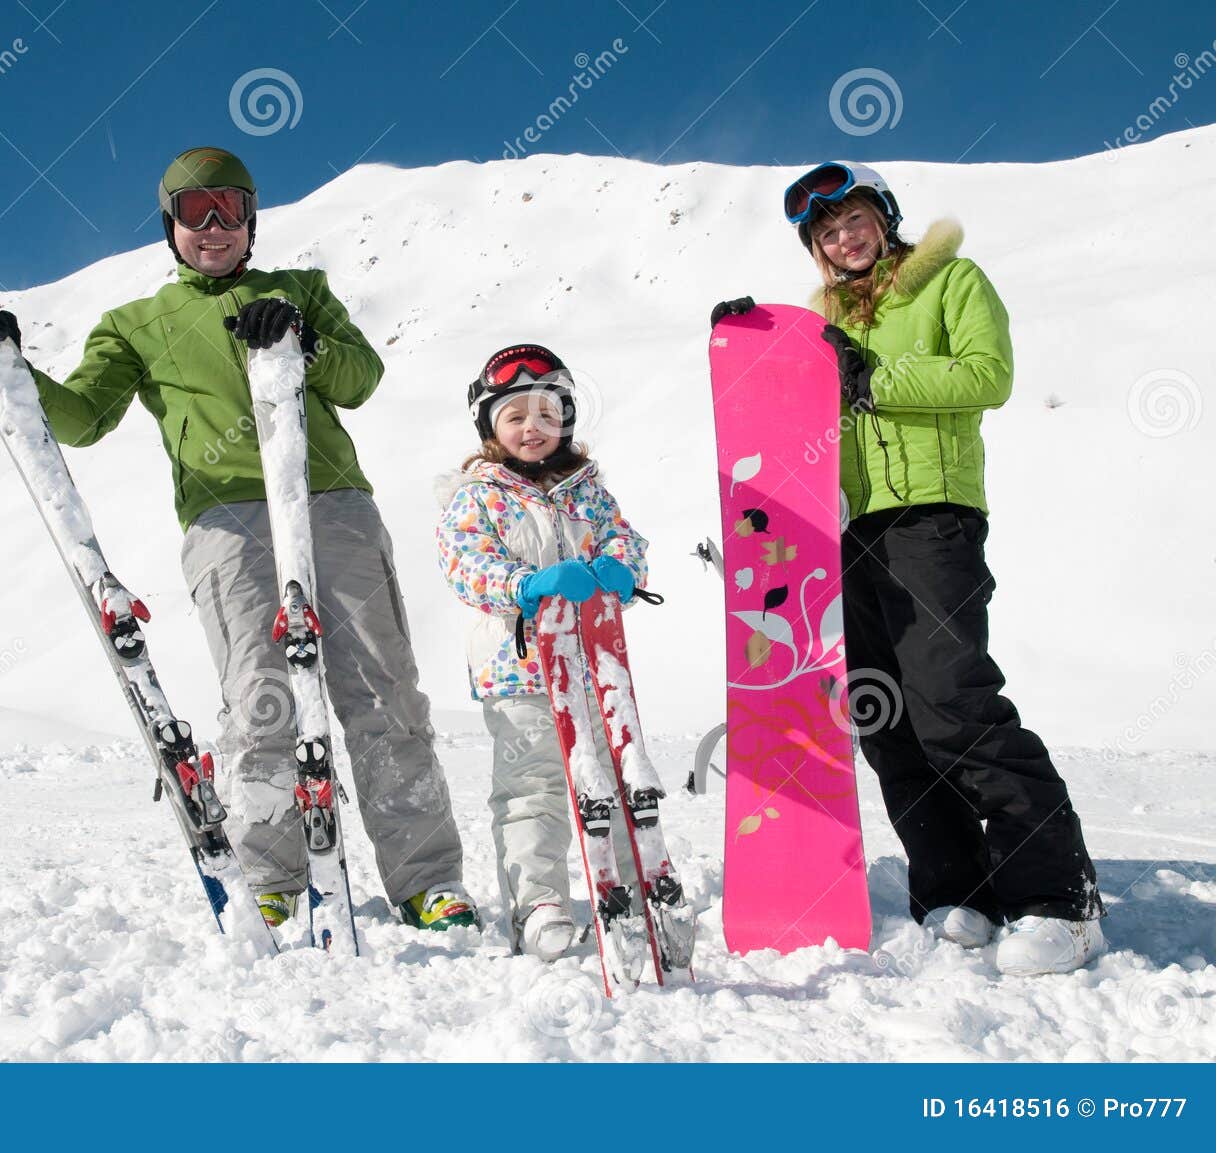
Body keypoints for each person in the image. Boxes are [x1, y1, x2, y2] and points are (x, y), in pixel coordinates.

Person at [0, 145, 475, 932]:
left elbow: (360, 378)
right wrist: (9, 369)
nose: (214, 226)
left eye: (230, 209)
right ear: (170, 226)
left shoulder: (300, 290)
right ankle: (274, 879)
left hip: (329, 500)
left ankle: (427, 881)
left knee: (382, 689)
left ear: (252, 220)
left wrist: (302, 339)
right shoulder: (136, 325)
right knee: (260, 699)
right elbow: (83, 419)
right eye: (195, 212)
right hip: (226, 520)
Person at [713, 161, 1104, 975]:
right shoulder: (822, 321)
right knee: (886, 718)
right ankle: (958, 887)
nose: (843, 238)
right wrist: (759, 342)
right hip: (843, 531)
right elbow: (790, 414)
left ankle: (1060, 900)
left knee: (953, 703)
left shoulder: (950, 280)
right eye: (826, 232)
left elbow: (987, 375)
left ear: (885, 218)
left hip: (932, 518)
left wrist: (875, 376)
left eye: (854, 220)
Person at [434, 344, 648, 959]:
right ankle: (539, 905)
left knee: (615, 777)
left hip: (594, 667)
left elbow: (625, 540)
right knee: (534, 789)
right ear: (490, 427)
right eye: (515, 416)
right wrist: (522, 586)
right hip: (519, 670)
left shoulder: (588, 493)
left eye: (547, 414)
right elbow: (465, 563)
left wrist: (622, 569)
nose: (533, 427)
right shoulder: (478, 496)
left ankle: (635, 886)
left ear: (567, 423)